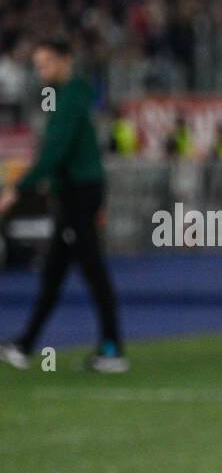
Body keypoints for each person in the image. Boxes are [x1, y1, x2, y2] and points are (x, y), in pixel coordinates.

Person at [0, 39, 127, 373]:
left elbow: (55, 152)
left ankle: (112, 350)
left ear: (63, 61)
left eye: (45, 64)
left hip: (77, 194)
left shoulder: (68, 100)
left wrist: (18, 187)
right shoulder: (70, 97)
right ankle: (25, 344)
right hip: (76, 192)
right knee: (54, 273)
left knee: (92, 271)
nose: (40, 71)